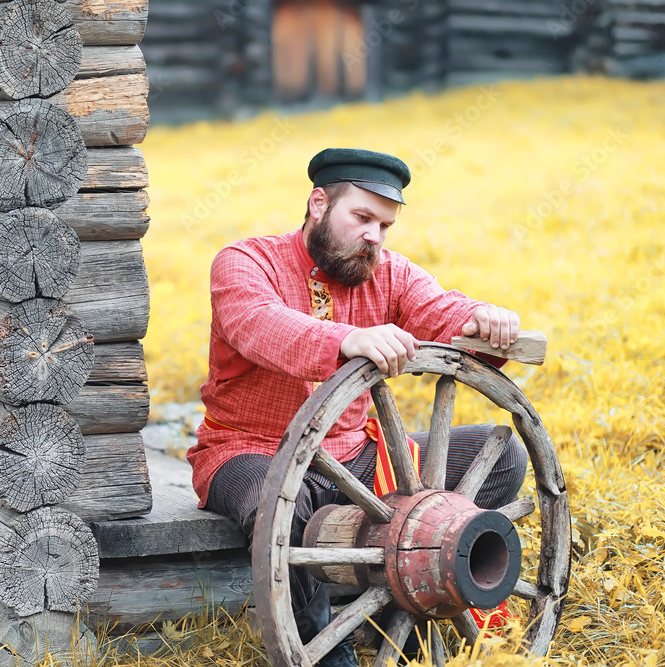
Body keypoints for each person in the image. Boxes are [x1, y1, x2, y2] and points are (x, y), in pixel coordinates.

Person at [186, 148, 528, 667]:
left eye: (385, 225)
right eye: (362, 217)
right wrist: (347, 339)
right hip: (251, 450)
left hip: (355, 454)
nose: (375, 236)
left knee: (500, 456)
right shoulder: (246, 262)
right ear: (318, 203)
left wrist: (482, 317)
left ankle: (411, 603)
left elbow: (441, 312)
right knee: (277, 502)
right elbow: (257, 324)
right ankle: (326, 652)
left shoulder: (387, 272)